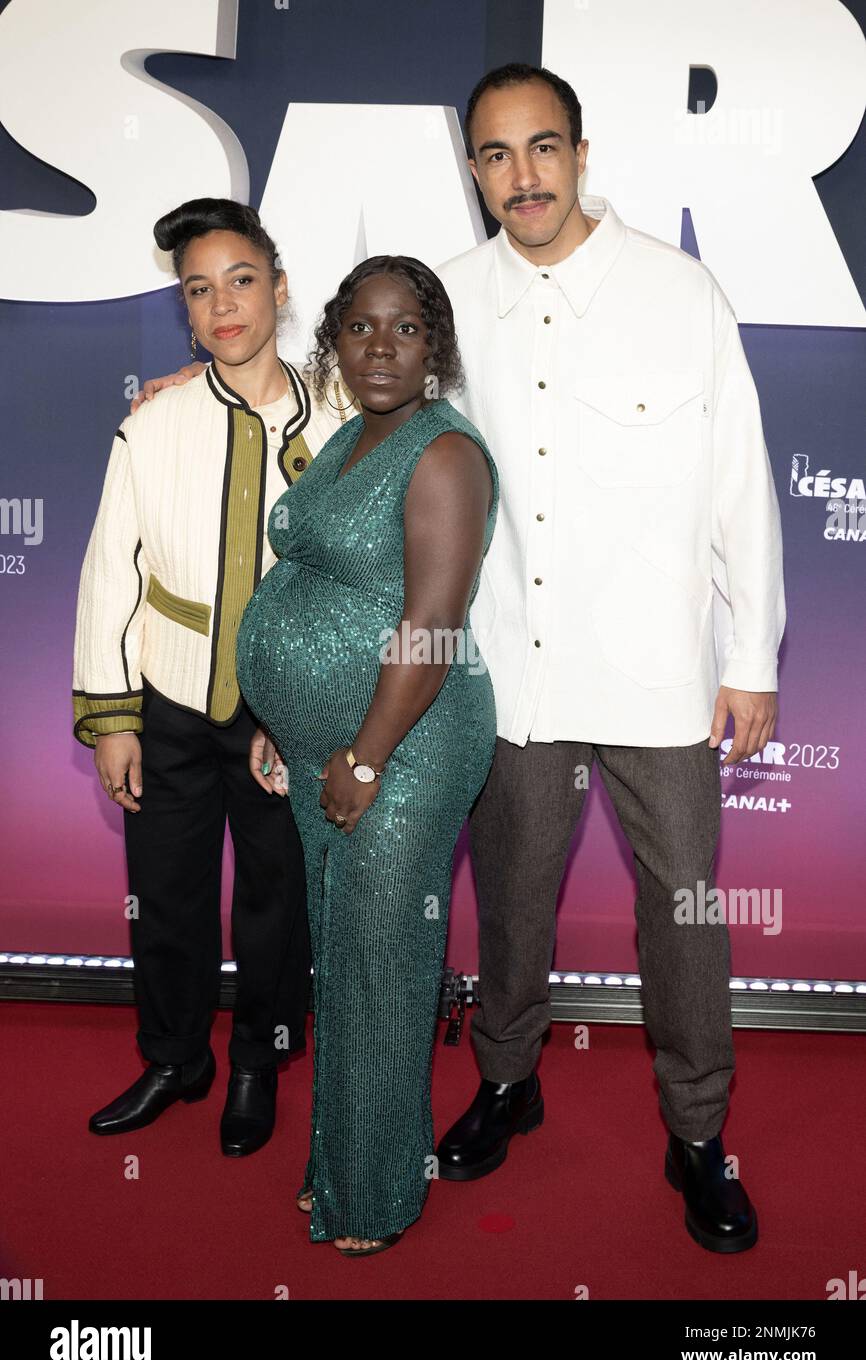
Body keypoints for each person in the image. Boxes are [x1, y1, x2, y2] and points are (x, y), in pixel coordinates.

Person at [429, 64, 785, 1256]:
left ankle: (696, 1137)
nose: (520, 176)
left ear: (580, 155)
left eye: (541, 149)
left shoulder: (679, 293)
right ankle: (508, 1080)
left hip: (654, 675)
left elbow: (739, 480)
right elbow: (365, 422)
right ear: (472, 169)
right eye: (493, 154)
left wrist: (750, 655)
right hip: (510, 670)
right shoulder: (450, 300)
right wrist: (215, 388)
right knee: (512, 903)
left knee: (685, 913)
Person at [235, 255, 498, 1255]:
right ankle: (339, 1163)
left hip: (408, 748)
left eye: (403, 328)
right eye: (359, 327)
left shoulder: (442, 453)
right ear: (332, 341)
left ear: (434, 345)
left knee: (382, 967)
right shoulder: (350, 434)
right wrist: (283, 715)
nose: (379, 346)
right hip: (324, 748)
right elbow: (306, 581)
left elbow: (432, 621)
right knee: (340, 962)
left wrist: (366, 757)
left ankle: (378, 1193)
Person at [72, 198, 346, 1157]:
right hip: (172, 696)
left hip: (288, 711)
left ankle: (258, 1064)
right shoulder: (153, 421)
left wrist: (311, 705)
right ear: (184, 311)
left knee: (278, 902)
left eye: (240, 280)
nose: (223, 304)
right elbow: (112, 568)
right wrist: (112, 716)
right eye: (199, 289)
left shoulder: (349, 419)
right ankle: (176, 1055)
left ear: (278, 287)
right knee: (167, 890)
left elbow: (363, 579)